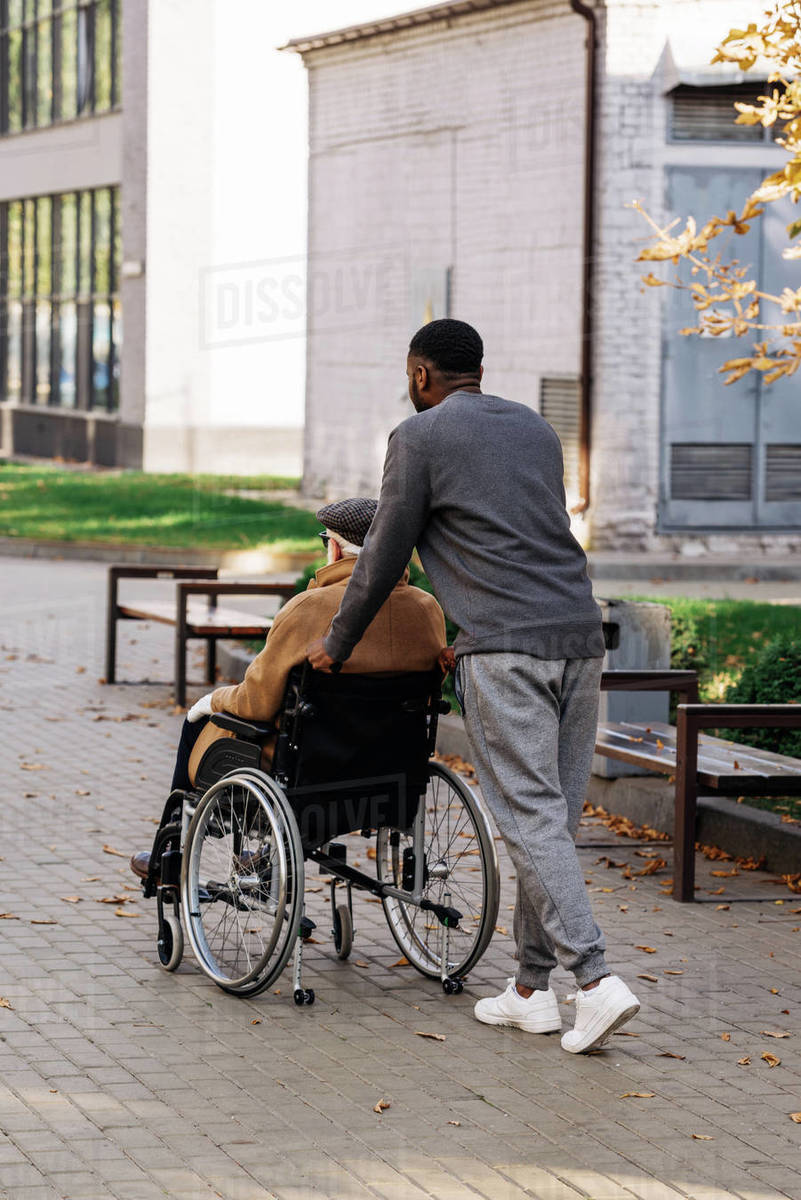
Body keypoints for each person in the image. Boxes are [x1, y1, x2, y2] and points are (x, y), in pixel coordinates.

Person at [307, 319, 640, 1053]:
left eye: (409, 375)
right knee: (548, 819)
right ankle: (529, 990)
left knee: (528, 820)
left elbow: (383, 555)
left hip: (505, 651)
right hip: (579, 641)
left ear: (420, 374)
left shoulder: (417, 438)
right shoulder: (534, 430)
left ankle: (594, 980)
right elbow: (523, 533)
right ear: (477, 370)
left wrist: (336, 644)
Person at [130, 497, 446, 881]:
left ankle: (172, 853)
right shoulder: (427, 608)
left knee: (200, 720)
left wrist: (211, 699)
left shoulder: (310, 608)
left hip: (312, 769)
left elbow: (257, 701)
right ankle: (262, 856)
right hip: (391, 772)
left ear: (334, 548)